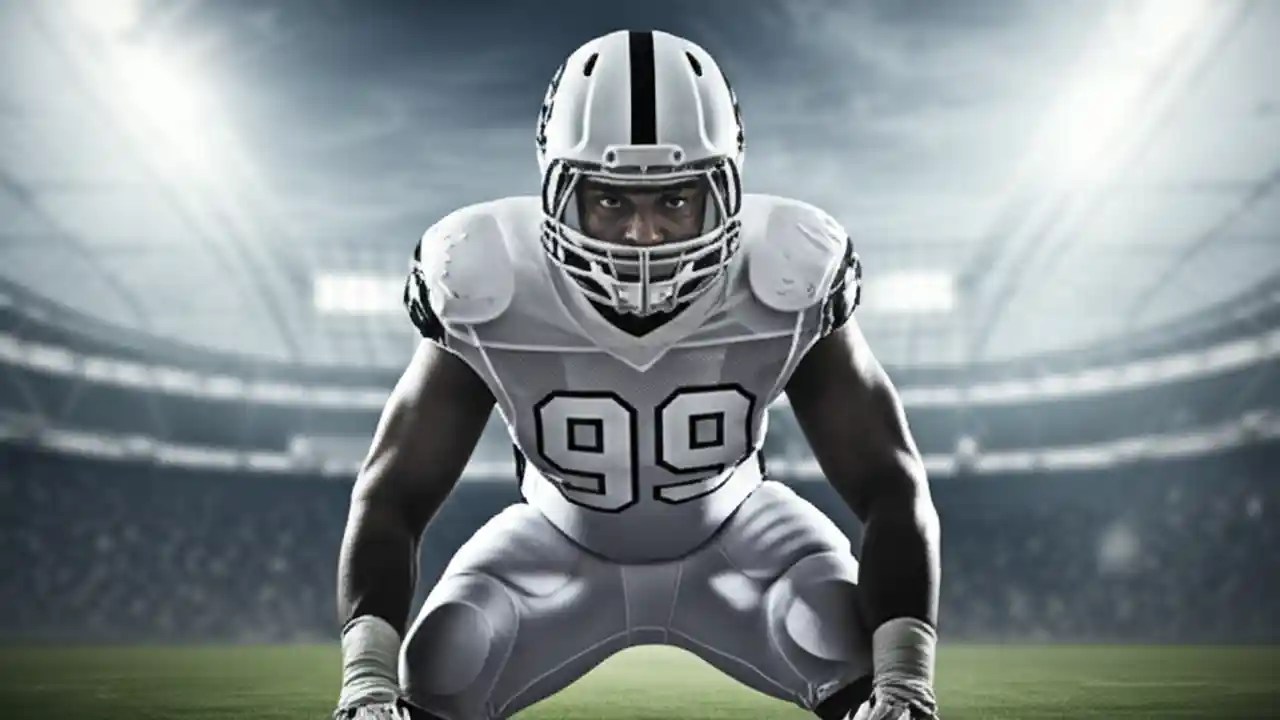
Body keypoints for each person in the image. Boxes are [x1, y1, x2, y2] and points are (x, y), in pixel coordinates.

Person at [335, 29, 941, 720]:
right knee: (443, 663)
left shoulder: (789, 274)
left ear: (725, 191)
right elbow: (393, 494)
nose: (643, 236)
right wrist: (365, 685)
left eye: (675, 201)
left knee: (846, 641)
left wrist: (905, 685)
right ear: (557, 191)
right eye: (612, 200)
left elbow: (889, 482)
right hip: (558, 541)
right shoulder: (485, 283)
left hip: (741, 536)